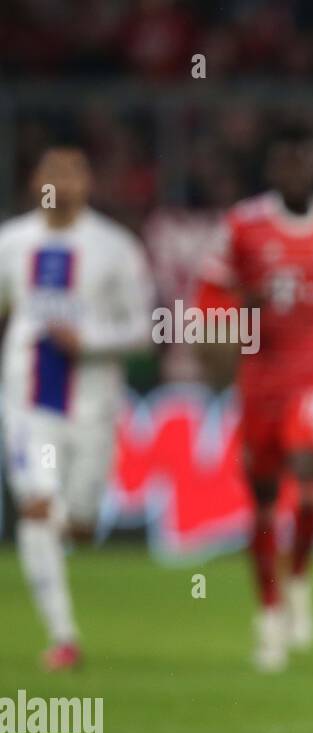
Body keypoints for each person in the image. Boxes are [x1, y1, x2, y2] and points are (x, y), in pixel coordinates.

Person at [196, 124, 313, 673]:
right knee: (265, 499)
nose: (295, 171)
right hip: (260, 382)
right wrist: (230, 319)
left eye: (304, 159)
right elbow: (209, 295)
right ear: (272, 169)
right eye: (285, 162)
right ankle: (271, 610)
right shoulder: (244, 227)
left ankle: (299, 579)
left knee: (309, 471)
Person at [0, 144, 153, 671]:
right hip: (29, 403)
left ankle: (74, 518)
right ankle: (64, 636)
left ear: (88, 182)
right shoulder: (10, 243)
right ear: (34, 179)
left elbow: (143, 329)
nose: (60, 181)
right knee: (37, 508)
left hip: (92, 407)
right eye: (50, 171)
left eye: (71, 171)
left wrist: (85, 339)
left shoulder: (114, 247)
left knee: (81, 522)